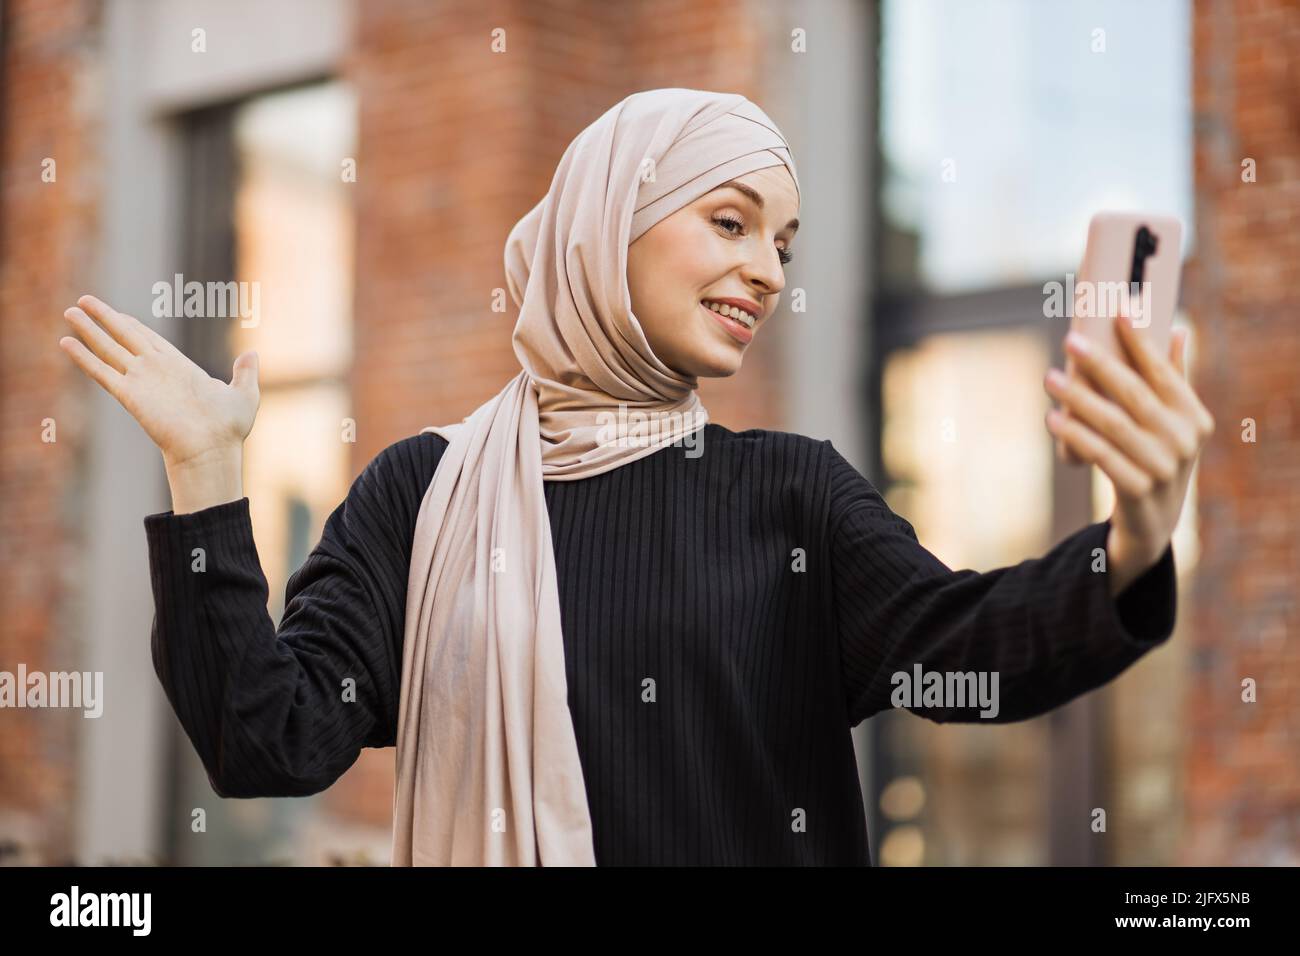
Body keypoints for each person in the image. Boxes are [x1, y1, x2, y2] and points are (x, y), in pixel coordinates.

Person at [57, 88, 1215, 867]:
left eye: (785, 244)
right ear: (605, 228)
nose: (764, 270)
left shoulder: (789, 496)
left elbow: (976, 651)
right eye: (729, 222)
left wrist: (1143, 525)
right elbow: (273, 739)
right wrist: (206, 472)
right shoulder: (424, 491)